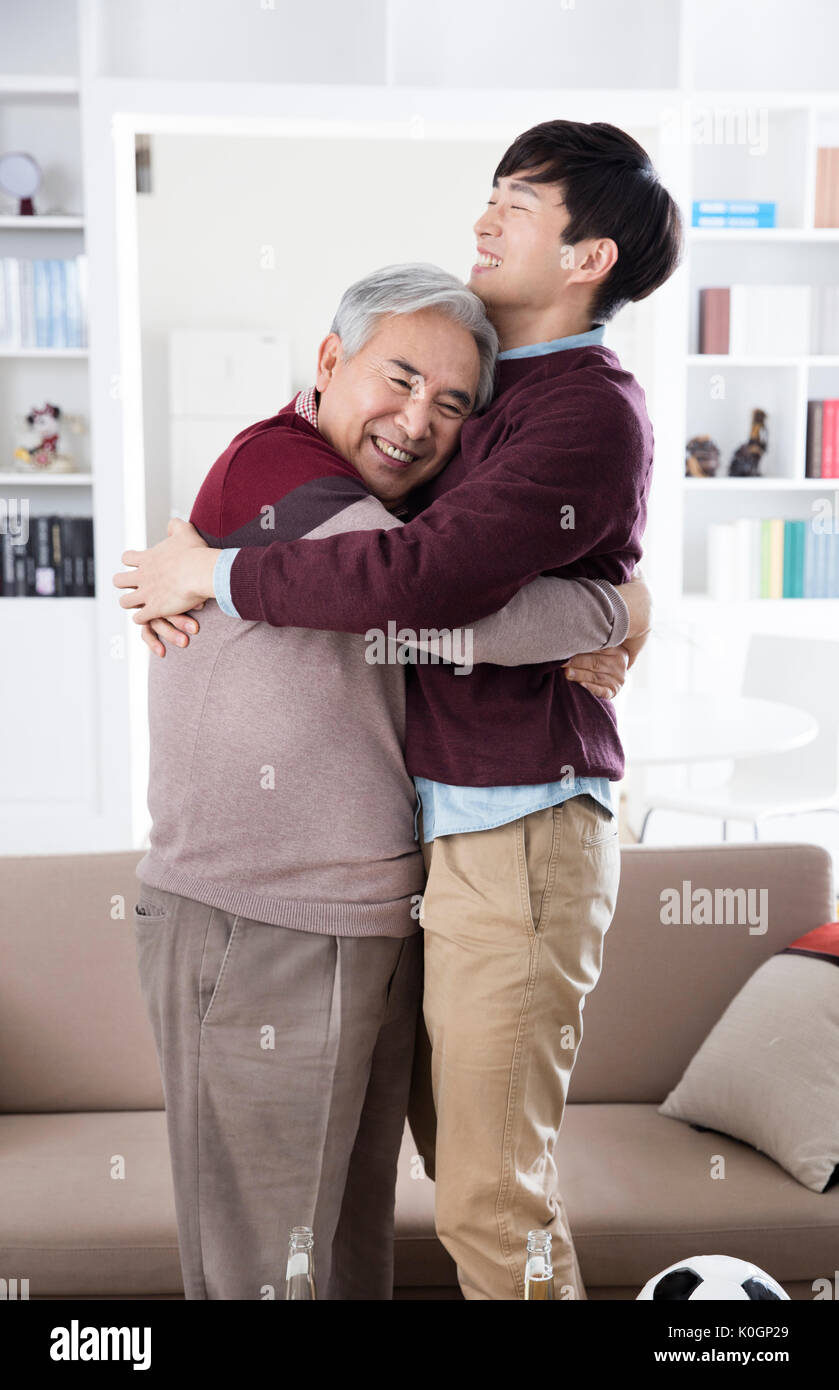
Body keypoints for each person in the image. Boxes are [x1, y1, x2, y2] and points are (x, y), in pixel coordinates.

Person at [122, 262, 649, 1301]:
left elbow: (439, 581)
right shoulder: (280, 463)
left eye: (452, 404)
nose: (417, 420)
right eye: (397, 379)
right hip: (257, 923)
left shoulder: (383, 506)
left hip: (359, 919)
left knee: (340, 1256)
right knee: (266, 1272)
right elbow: (438, 602)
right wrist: (617, 610)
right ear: (328, 363)